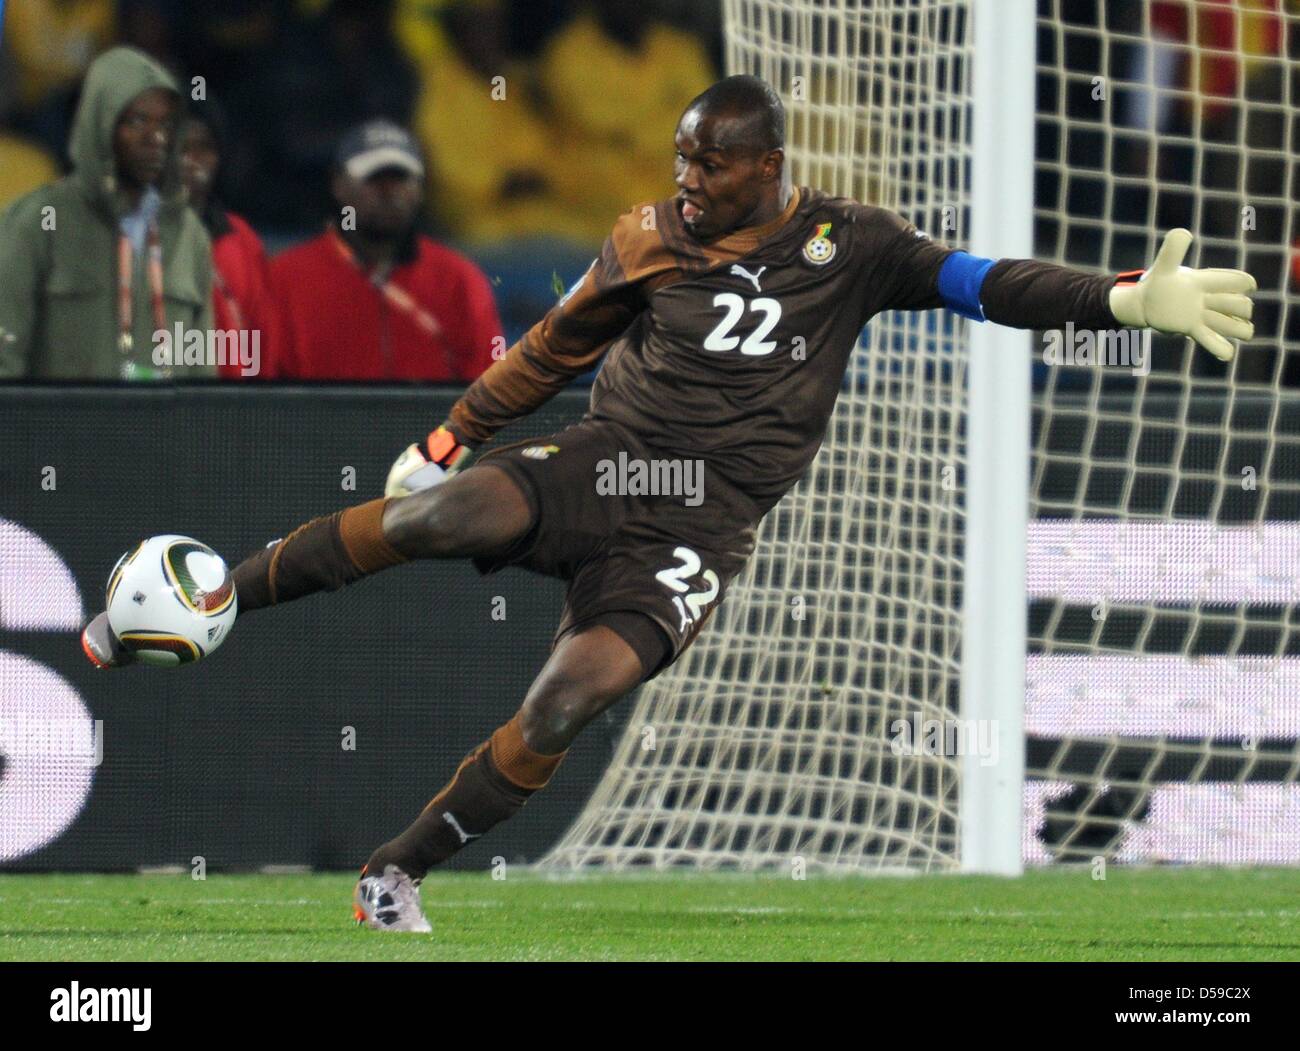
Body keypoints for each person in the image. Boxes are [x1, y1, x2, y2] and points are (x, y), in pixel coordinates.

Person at [81, 76, 1256, 930]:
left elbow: (985, 283)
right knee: (444, 515)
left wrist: (1118, 301)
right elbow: (553, 341)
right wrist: (452, 431)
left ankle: (394, 873)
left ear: (766, 165)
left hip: (702, 525)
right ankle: (213, 593)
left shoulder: (854, 245)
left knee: (564, 700)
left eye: (709, 164)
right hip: (611, 460)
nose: (686, 182)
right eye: (680, 159)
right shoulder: (644, 237)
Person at [0, 46, 214, 380]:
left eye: (166, 124)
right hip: (62, 431)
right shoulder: (37, 223)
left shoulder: (190, 233)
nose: (155, 138)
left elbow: (203, 376)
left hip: (163, 430)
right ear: (99, 123)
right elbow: (4, 360)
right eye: (137, 120)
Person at [266, 120, 503, 380]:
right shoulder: (285, 278)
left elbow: (491, 391)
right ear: (338, 184)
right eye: (373, 178)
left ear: (420, 188)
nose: (389, 192)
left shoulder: (459, 280)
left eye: (400, 178)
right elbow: (265, 392)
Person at [180, 104, 281, 379]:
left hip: (235, 412)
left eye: (204, 148)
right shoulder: (124, 240)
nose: (191, 161)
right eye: (178, 148)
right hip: (154, 413)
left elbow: (264, 346)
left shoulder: (239, 237)